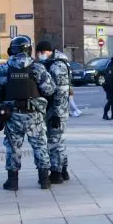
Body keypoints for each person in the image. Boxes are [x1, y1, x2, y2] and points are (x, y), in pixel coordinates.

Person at [0, 35, 56, 190]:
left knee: (13, 147)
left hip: (12, 115)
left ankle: (12, 181)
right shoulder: (37, 68)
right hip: (34, 116)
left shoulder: (3, 69)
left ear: (12, 50)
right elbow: (50, 89)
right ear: (29, 49)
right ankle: (44, 180)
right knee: (40, 146)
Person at [36, 41, 72, 184]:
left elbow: (61, 92)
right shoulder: (55, 63)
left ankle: (56, 173)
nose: (38, 56)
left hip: (57, 110)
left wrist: (56, 113)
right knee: (59, 140)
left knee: (55, 141)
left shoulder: (57, 66)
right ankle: (63, 170)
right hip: (56, 109)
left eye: (39, 53)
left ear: (44, 51)